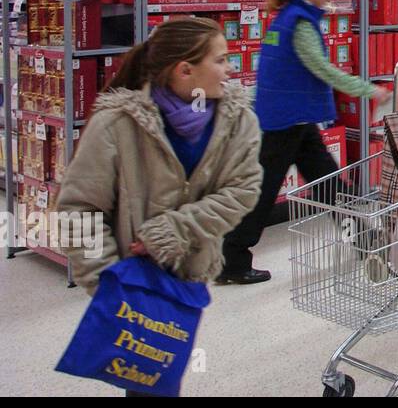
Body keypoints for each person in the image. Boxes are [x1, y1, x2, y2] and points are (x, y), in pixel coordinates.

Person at [56, 18, 262, 306]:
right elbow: (78, 210)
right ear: (185, 70)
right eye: (221, 60)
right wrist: (106, 282)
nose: (230, 69)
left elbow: (244, 190)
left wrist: (172, 232)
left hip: (190, 283)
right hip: (122, 286)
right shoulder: (116, 125)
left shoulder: (238, 122)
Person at [221, 0, 386, 284]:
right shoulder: (300, 25)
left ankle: (366, 241)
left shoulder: (285, 17)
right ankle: (232, 258)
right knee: (267, 190)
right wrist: (368, 90)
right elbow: (323, 70)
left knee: (328, 183)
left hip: (288, 116)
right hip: (289, 119)